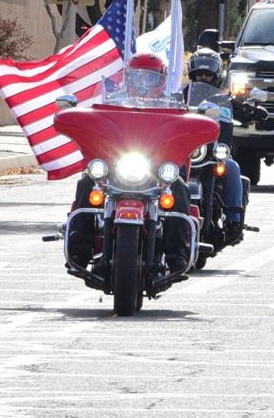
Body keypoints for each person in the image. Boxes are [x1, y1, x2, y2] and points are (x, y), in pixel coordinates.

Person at [66, 53, 193, 274]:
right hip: (119, 162)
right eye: (137, 78)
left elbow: (184, 129)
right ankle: (80, 249)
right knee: (88, 182)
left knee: (180, 187)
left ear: (161, 79)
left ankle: (177, 254)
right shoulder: (111, 100)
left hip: (155, 167)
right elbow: (98, 125)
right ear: (127, 77)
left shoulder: (173, 104)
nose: (143, 84)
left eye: (149, 78)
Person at [184, 47, 248, 244]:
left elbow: (245, 112)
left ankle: (233, 221)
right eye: (199, 74)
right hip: (185, 153)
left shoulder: (226, 98)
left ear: (217, 75)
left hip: (215, 153)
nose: (203, 77)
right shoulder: (178, 95)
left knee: (232, 167)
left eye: (208, 74)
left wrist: (250, 109)